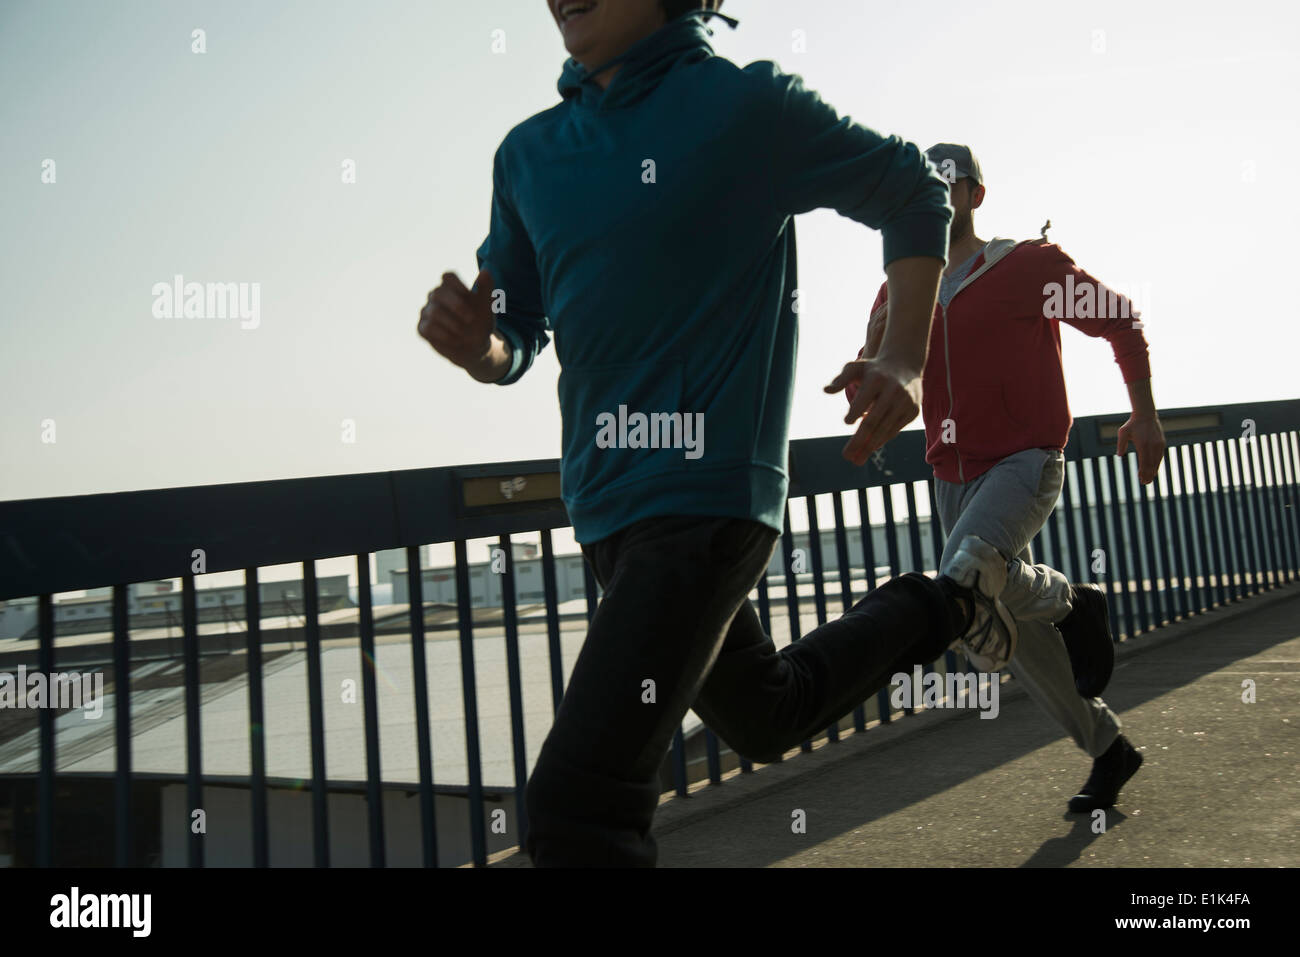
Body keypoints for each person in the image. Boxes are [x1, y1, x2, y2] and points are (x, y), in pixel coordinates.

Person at [419, 0, 1015, 867]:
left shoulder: (745, 108)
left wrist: (904, 358)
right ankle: (945, 602)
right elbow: (515, 328)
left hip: (707, 501)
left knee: (576, 807)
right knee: (767, 711)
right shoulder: (528, 155)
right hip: (605, 509)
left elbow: (912, 189)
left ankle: (948, 602)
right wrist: (482, 346)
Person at [845, 143, 1166, 813]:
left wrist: (1145, 413)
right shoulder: (900, 290)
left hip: (1026, 460)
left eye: (947, 181)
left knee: (963, 579)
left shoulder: (1027, 265)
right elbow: (887, 371)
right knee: (1002, 623)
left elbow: (1121, 320)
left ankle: (1074, 602)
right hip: (951, 473)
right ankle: (1109, 747)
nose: (934, 194)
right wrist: (868, 376)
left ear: (973, 195)